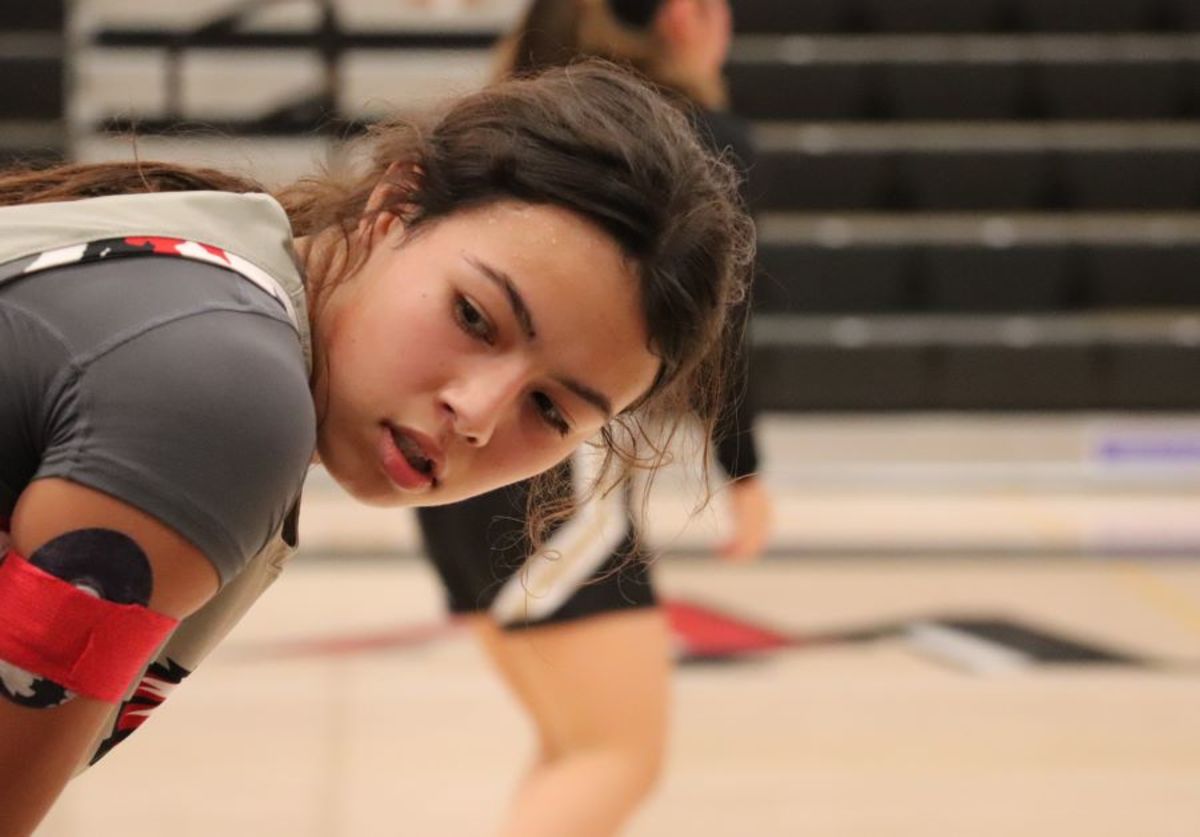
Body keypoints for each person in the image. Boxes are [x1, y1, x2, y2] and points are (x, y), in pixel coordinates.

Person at [0, 61, 754, 835]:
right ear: (395, 204)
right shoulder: (223, 398)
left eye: (550, 410)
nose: (477, 415)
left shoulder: (212, 249)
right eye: (474, 315)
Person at [414, 2, 771, 835]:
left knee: (573, 744)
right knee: (617, 756)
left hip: (456, 466)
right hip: (548, 474)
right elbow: (730, 339)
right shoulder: (693, 145)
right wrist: (746, 469)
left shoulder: (521, 125)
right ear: (687, 18)